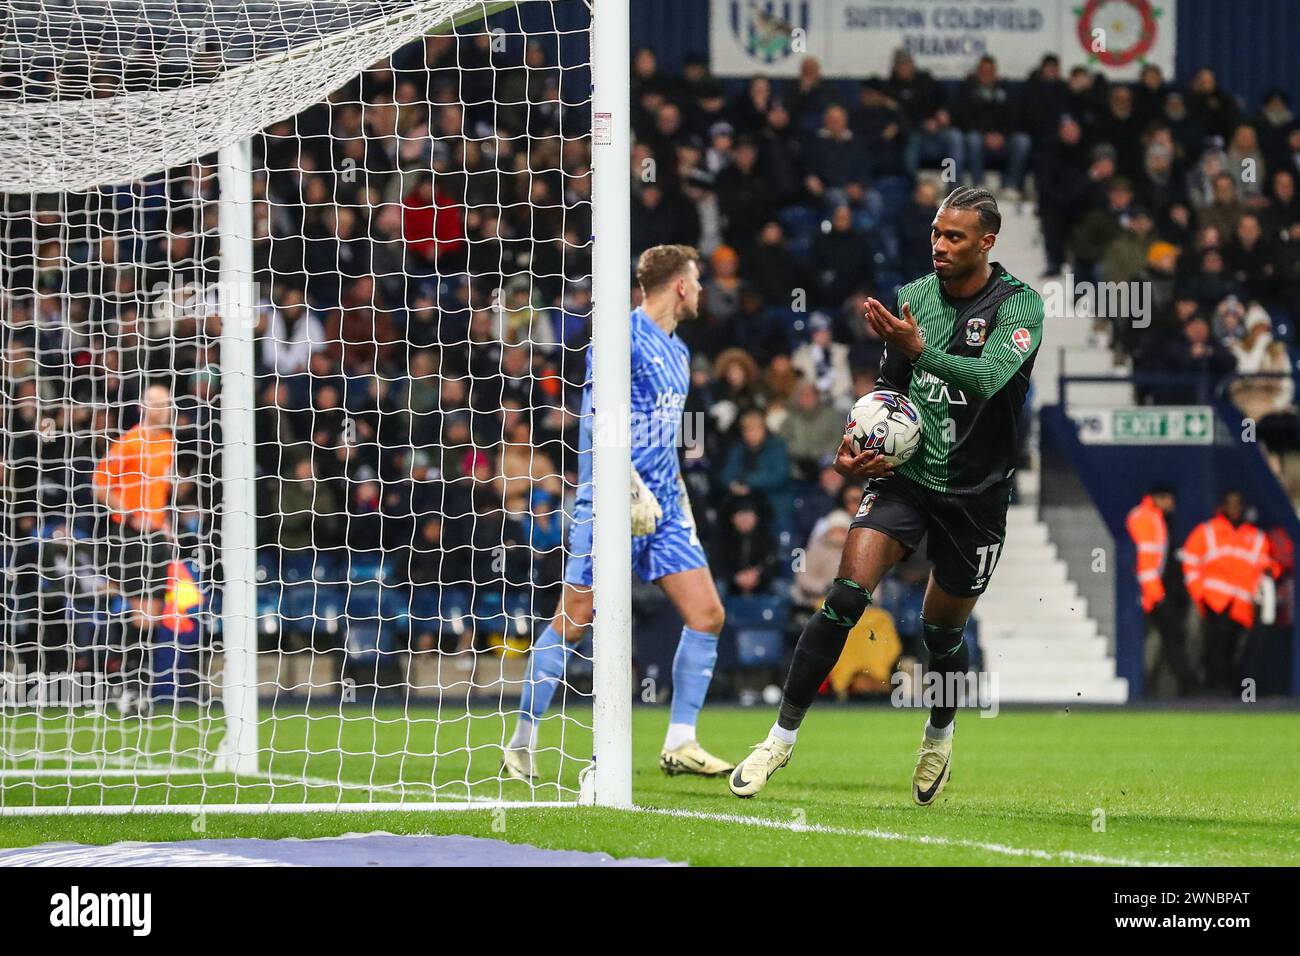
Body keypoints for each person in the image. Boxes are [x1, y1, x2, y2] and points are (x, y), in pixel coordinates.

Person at [730, 186, 1043, 806]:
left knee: (941, 635)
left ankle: (938, 737)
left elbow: (985, 380)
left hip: (977, 495)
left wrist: (919, 347)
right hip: (908, 477)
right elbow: (890, 392)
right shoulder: (914, 298)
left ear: (987, 242)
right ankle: (779, 739)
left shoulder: (1020, 305)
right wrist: (858, 444)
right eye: (935, 233)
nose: (940, 245)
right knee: (843, 600)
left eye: (955, 236)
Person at [503, 244, 734, 780]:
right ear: (679, 285)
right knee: (577, 617)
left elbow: (665, 436)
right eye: (696, 281)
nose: (701, 290)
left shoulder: (679, 352)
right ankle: (522, 741)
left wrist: (677, 495)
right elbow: (600, 416)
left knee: (707, 613)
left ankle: (680, 741)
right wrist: (625, 484)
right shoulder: (620, 337)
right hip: (611, 498)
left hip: (664, 506)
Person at [92, 382, 178, 716]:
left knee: (153, 616)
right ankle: (129, 689)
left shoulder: (169, 443)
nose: (165, 409)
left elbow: (159, 493)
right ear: (145, 408)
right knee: (140, 615)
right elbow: (100, 486)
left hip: (157, 538)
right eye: (159, 404)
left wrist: (164, 523)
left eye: (168, 404)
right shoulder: (129, 442)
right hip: (130, 537)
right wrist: (129, 513)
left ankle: (141, 689)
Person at [1181, 491, 1278, 696]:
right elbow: (1190, 560)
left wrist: (1272, 570)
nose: (1234, 508)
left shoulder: (1256, 536)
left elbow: (1265, 563)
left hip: (1241, 603)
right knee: (1214, 643)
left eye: (1238, 504)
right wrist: (1198, 592)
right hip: (1214, 598)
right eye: (1230, 504)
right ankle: (1214, 686)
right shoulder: (1208, 530)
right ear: (1222, 506)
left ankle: (1231, 689)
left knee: (1234, 646)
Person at [1126, 485, 1196, 696]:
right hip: (1147, 594)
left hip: (1150, 591)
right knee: (1165, 636)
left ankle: (1177, 685)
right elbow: (1146, 563)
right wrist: (1157, 596)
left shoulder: (1151, 517)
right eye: (1170, 500)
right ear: (1160, 498)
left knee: (1170, 636)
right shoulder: (1147, 519)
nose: (1172, 505)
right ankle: (1150, 687)